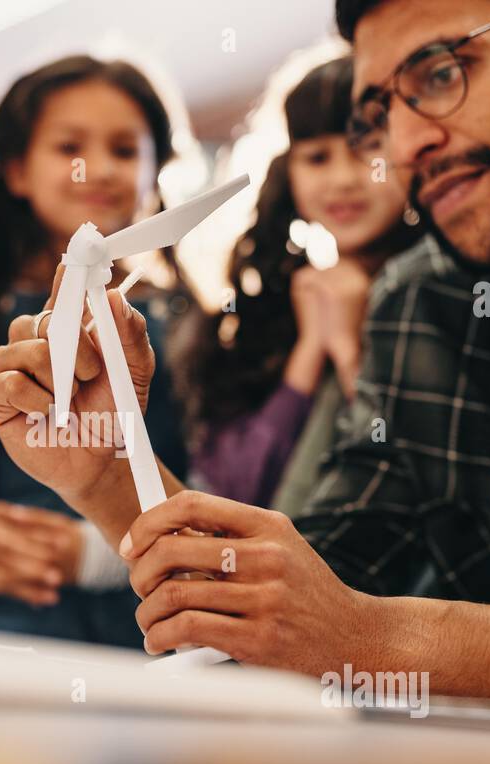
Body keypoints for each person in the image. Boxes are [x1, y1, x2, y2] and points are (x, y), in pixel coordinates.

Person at [0, 0, 490, 709]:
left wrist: (380, 638)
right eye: (380, 114)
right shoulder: (428, 306)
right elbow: (307, 604)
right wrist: (111, 471)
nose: (403, 147)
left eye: (441, 73)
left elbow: (347, 629)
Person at [0, 55, 191, 648]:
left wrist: (91, 554)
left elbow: (221, 490)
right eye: (69, 146)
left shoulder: (187, 326)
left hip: (151, 644)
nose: (97, 168)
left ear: (155, 172)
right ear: (16, 170)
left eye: (124, 150)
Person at [178, 54, 415, 507]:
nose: (343, 179)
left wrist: (349, 352)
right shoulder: (267, 311)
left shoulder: (445, 288)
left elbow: (424, 470)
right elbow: (233, 493)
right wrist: (310, 348)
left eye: (367, 147)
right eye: (317, 157)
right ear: (289, 174)